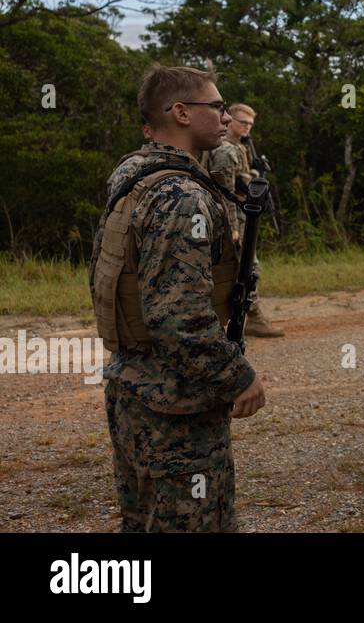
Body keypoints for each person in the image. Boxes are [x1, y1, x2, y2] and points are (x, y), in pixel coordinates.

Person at [91, 64, 266, 532]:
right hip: (174, 401)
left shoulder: (135, 177)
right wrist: (237, 376)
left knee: (144, 521)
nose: (227, 118)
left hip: (133, 384)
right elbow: (179, 317)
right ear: (182, 113)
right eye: (217, 107)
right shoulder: (180, 195)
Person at [206, 104, 282, 338]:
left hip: (240, 215)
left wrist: (255, 174)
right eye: (242, 123)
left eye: (250, 124)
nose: (247, 127)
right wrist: (233, 228)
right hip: (233, 218)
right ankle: (253, 318)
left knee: (239, 269)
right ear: (230, 121)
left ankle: (236, 316)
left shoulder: (240, 147)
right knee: (249, 268)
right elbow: (224, 192)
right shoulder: (226, 151)